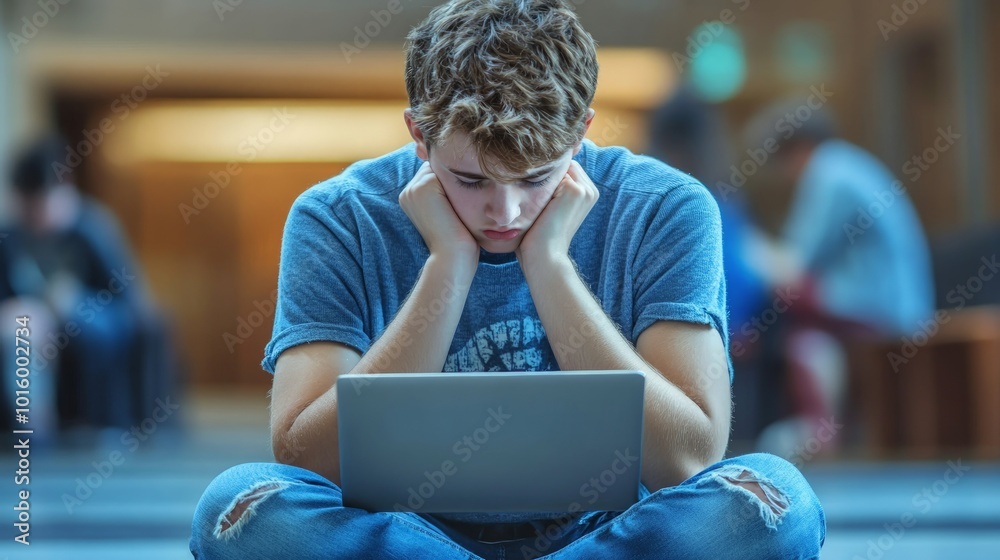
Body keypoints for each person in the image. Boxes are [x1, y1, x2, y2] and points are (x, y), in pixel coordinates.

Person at [190, 1, 826, 558]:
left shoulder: (666, 207)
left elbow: (687, 457)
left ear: (580, 134)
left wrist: (550, 265)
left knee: (773, 504)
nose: (507, 213)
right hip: (403, 530)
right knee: (240, 511)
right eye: (470, 181)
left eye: (535, 178)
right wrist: (447, 265)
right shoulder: (337, 216)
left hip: (607, 528)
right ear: (419, 135)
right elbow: (304, 459)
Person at [737, 99, 935, 456]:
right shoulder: (847, 165)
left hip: (884, 309)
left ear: (796, 149)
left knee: (790, 300)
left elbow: (795, 264)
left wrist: (743, 247)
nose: (783, 175)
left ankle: (822, 428)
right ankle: (827, 424)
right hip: (888, 302)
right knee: (800, 316)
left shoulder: (828, 172)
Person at [0, 136, 171, 437]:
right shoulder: (12, 237)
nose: (34, 218)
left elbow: (133, 310)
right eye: (27, 207)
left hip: (96, 328)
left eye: (40, 205)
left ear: (63, 191)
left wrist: (69, 304)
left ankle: (96, 427)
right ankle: (30, 432)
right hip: (32, 336)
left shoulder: (94, 230)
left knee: (78, 314)